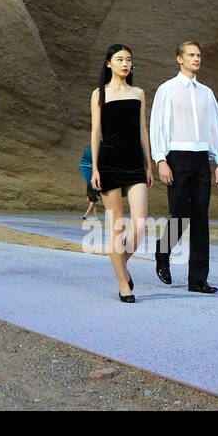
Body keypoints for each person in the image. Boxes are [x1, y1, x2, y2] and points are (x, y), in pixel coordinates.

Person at [151, 40, 218, 294]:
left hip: (201, 159)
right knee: (180, 214)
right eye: (191, 55)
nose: (196, 59)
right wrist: (161, 159)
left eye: (199, 55)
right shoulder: (167, 89)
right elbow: (158, 125)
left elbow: (214, 127)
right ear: (179, 59)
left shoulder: (207, 92)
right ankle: (163, 251)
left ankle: (197, 280)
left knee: (201, 220)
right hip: (177, 159)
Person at [90, 44, 153, 302]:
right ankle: (122, 283)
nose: (125, 63)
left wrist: (149, 165)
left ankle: (120, 265)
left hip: (135, 164)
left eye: (128, 59)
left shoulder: (139, 93)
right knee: (117, 227)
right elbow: (96, 133)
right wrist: (94, 168)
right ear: (108, 64)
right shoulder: (99, 94)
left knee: (140, 225)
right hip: (109, 164)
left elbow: (142, 131)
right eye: (119, 59)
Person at [79, 145, 100, 219]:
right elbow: (89, 187)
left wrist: (87, 195)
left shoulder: (90, 180)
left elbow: (88, 187)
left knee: (93, 205)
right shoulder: (92, 180)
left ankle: (96, 217)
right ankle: (85, 215)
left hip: (92, 193)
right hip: (93, 194)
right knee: (92, 204)